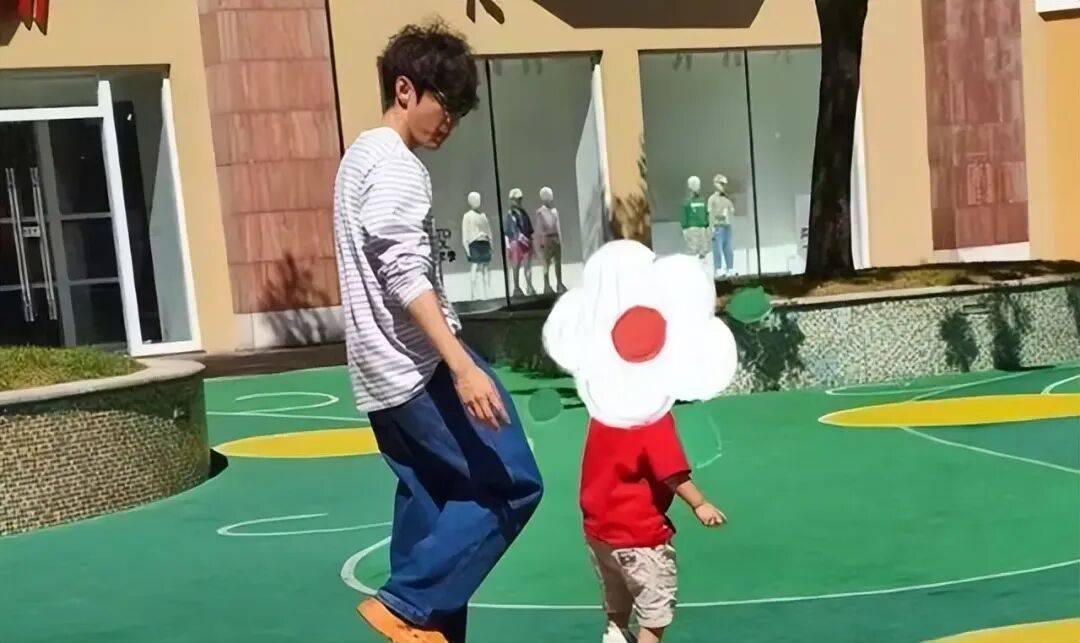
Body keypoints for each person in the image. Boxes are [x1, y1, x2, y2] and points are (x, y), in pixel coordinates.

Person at [332, 21, 543, 643]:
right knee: (512, 484)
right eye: (444, 104)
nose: (449, 121)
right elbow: (402, 271)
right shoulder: (396, 166)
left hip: (380, 378)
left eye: (459, 111)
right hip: (419, 366)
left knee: (434, 504)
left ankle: (422, 624)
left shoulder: (357, 158)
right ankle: (407, 605)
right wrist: (462, 365)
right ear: (404, 90)